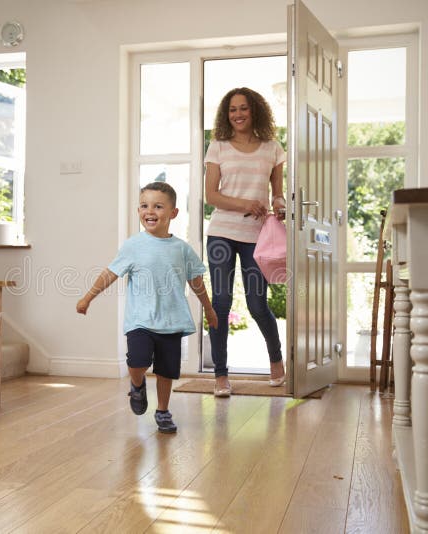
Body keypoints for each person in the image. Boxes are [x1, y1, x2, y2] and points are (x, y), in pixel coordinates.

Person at [76, 181, 218, 433]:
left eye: (158, 206)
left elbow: (196, 280)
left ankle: (163, 410)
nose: (149, 211)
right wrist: (88, 297)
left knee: (166, 371)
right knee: (137, 361)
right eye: (144, 205)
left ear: (173, 213)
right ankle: (137, 385)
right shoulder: (133, 246)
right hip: (140, 319)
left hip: (171, 321)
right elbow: (110, 273)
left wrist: (208, 308)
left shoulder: (182, 249)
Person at [204, 87, 287, 397]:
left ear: (255, 111)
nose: (237, 114)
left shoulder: (272, 148)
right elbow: (211, 196)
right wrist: (246, 204)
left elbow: (277, 191)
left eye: (243, 109)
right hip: (221, 233)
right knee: (221, 303)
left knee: (257, 304)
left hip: (256, 238)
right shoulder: (218, 147)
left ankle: (276, 362)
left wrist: (278, 204)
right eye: (232, 110)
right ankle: (221, 375)